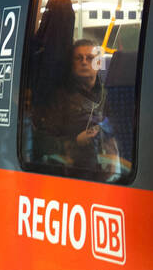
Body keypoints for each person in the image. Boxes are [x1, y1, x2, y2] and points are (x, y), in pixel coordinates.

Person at [36, 38, 119, 173]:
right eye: (79, 58)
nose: (84, 62)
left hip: (105, 168)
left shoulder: (108, 94)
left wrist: (113, 156)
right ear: (72, 64)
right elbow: (43, 143)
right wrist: (75, 141)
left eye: (90, 58)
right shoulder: (59, 98)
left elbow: (115, 131)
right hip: (70, 170)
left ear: (99, 63)